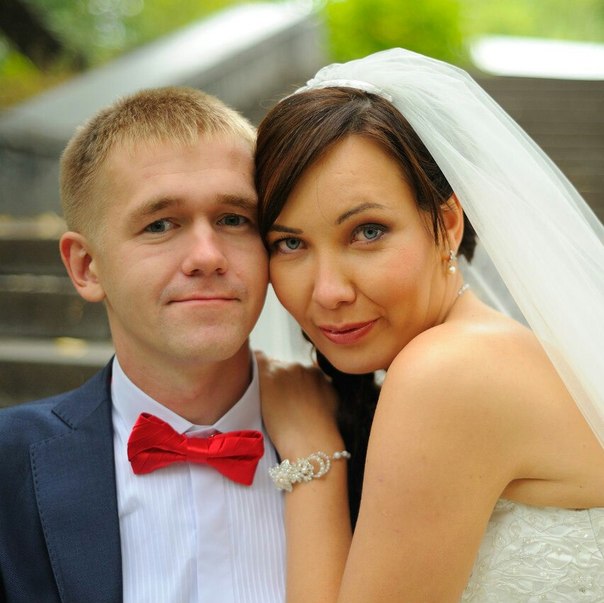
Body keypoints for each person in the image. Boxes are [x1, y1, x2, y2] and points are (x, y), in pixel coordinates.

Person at [254, 48, 604, 602]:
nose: (328, 291)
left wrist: (308, 449)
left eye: (367, 232)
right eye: (290, 243)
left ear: (447, 223)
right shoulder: (498, 350)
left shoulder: (447, 373)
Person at [0, 86, 301, 603]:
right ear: (86, 267)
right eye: (160, 225)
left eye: (234, 219)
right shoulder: (10, 464)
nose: (207, 256)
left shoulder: (367, 441)